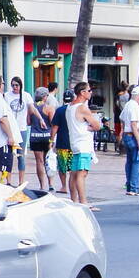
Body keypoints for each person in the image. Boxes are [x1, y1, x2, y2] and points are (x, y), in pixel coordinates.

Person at [65, 81, 102, 209]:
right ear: (83, 93)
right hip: (83, 144)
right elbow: (97, 125)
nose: (91, 93)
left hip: (75, 142)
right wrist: (90, 128)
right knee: (82, 173)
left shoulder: (70, 107)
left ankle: (74, 200)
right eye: (89, 90)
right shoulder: (82, 108)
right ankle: (83, 201)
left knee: (74, 173)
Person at [5, 76, 38, 186]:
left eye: (17, 85)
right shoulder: (7, 95)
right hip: (10, 128)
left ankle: (21, 180)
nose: (15, 87)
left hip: (22, 128)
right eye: (13, 85)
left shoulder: (26, 95)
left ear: (20, 86)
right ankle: (8, 180)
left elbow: (32, 108)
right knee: (8, 155)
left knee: (21, 156)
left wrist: (40, 119)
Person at [120, 85, 139, 195]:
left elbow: (122, 119)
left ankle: (129, 185)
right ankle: (134, 187)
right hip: (132, 135)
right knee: (136, 161)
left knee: (130, 161)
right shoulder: (135, 107)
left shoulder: (128, 104)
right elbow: (134, 125)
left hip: (126, 134)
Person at [29, 87, 53, 192]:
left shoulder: (31, 107)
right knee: (48, 160)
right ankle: (51, 183)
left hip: (35, 136)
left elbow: (28, 122)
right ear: (44, 97)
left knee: (39, 162)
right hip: (47, 136)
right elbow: (53, 123)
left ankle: (42, 185)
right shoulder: (49, 108)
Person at [48, 90, 73, 194]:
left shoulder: (59, 110)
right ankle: (73, 185)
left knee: (62, 166)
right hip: (74, 143)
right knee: (72, 167)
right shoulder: (75, 109)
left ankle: (64, 186)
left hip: (62, 143)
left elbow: (55, 127)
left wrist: (51, 140)